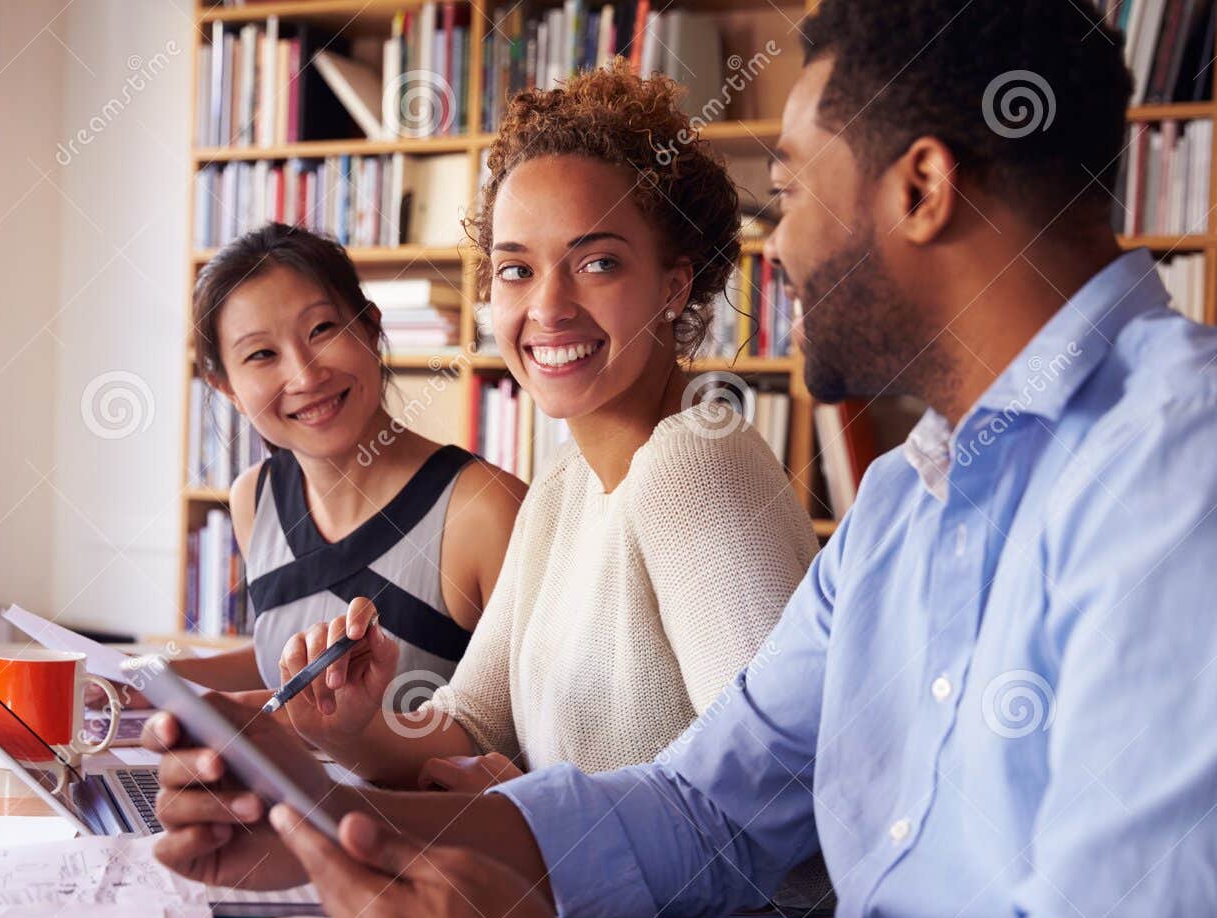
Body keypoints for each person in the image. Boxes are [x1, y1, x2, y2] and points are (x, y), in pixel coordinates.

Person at [152, 0, 1217, 918]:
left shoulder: (1210, 463)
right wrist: (313, 820)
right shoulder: (907, 498)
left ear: (921, 188)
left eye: (786, 190)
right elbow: (704, 808)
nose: (774, 247)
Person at [269, 63, 818, 794]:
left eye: (596, 262)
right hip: (582, 908)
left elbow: (774, 792)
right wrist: (352, 729)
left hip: (698, 916)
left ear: (673, 284)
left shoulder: (696, 463)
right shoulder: (563, 483)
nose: (548, 307)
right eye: (516, 270)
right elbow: (472, 723)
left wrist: (524, 812)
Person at [161, 224, 524, 696]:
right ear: (227, 389)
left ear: (371, 328)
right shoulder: (255, 498)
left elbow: (526, 729)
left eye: (322, 330)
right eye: (262, 354)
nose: (305, 375)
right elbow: (287, 665)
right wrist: (150, 679)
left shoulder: (485, 509)